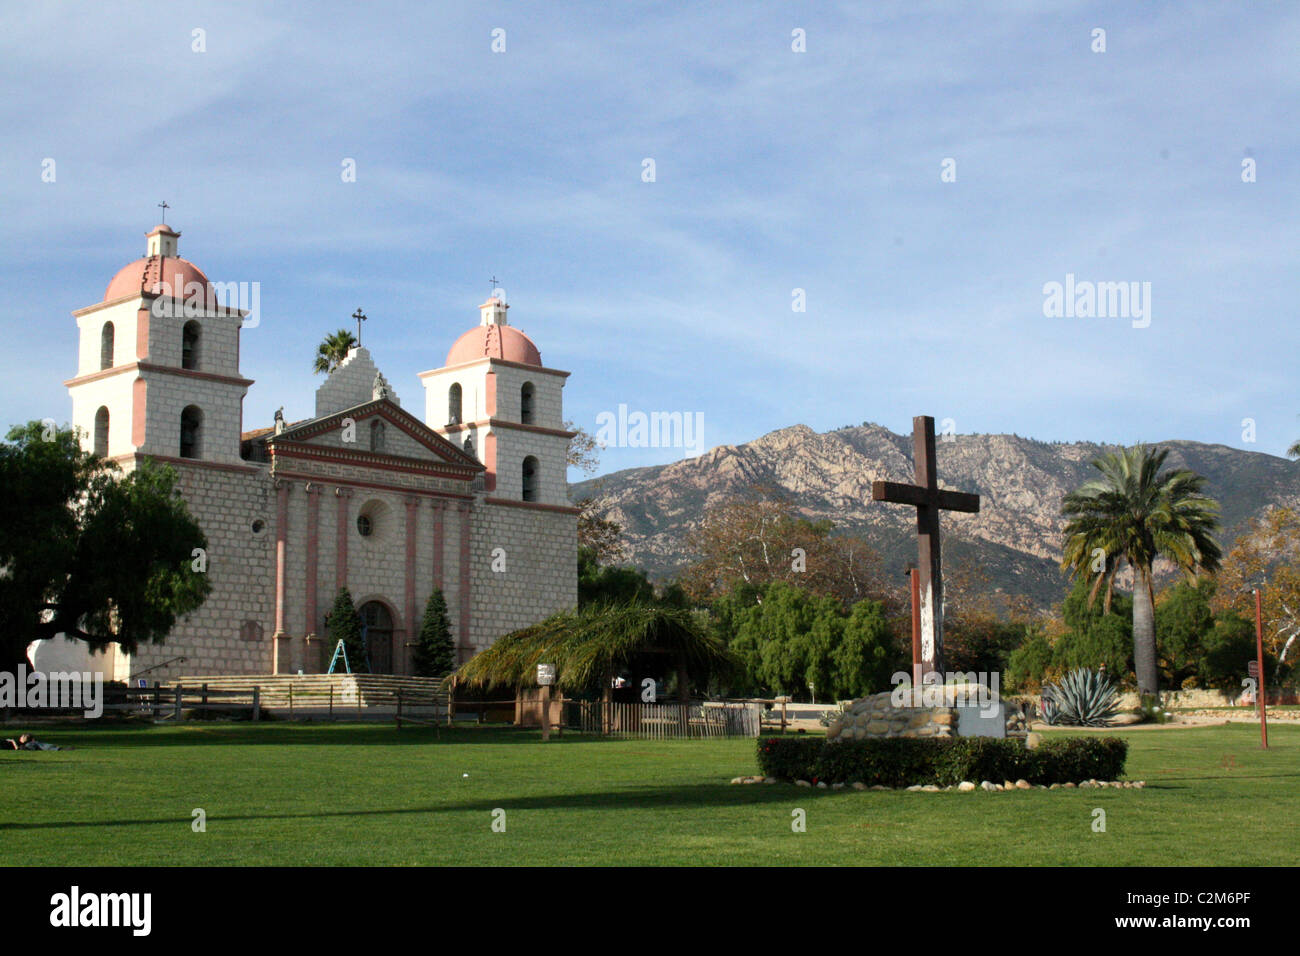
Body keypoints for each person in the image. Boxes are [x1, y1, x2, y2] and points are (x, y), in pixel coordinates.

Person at [2, 733, 67, 751]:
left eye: (22, 736)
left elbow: (18, 749)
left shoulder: (27, 744)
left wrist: (13, 741)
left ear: (25, 739)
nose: (20, 737)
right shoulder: (25, 744)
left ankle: (58, 748)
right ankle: (58, 748)